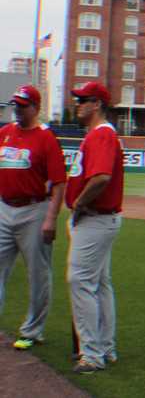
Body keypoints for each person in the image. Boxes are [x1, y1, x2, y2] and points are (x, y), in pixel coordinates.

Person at [0, 85, 66, 351]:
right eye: (15, 104)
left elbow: (59, 183)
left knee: (38, 274)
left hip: (34, 210)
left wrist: (51, 219)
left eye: (23, 105)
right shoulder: (4, 133)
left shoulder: (46, 138)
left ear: (36, 108)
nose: (17, 108)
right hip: (4, 208)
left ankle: (32, 330)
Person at [65, 81, 124, 374]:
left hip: (95, 219)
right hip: (101, 219)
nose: (78, 104)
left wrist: (78, 202)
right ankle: (105, 348)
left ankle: (92, 354)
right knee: (99, 284)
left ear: (97, 103)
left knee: (80, 281)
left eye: (83, 99)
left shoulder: (101, 135)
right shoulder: (99, 135)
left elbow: (100, 177)